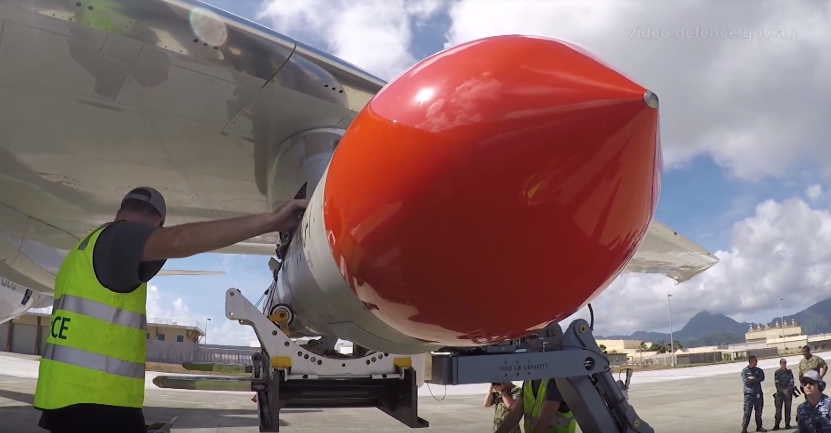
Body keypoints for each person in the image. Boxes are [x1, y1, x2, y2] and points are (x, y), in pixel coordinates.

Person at [32, 187, 308, 433]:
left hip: (64, 400)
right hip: (95, 405)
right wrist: (272, 221)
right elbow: (176, 242)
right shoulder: (121, 239)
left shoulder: (83, 251)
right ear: (157, 225)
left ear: (120, 211)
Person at [742, 355, 768, 433]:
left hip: (758, 394)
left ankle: (759, 426)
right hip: (749, 395)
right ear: (751, 361)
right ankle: (744, 428)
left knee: (759, 411)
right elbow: (746, 381)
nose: (756, 362)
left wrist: (753, 379)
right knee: (747, 412)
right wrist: (755, 379)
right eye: (755, 361)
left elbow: (762, 378)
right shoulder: (745, 371)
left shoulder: (759, 370)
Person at [773, 358, 795, 430]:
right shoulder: (777, 372)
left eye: (785, 362)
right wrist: (782, 390)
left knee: (788, 409)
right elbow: (777, 383)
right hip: (780, 394)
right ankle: (777, 424)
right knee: (778, 410)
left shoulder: (789, 372)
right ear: (780, 363)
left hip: (788, 394)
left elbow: (792, 382)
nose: (784, 364)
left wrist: (787, 390)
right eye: (782, 362)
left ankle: (787, 424)